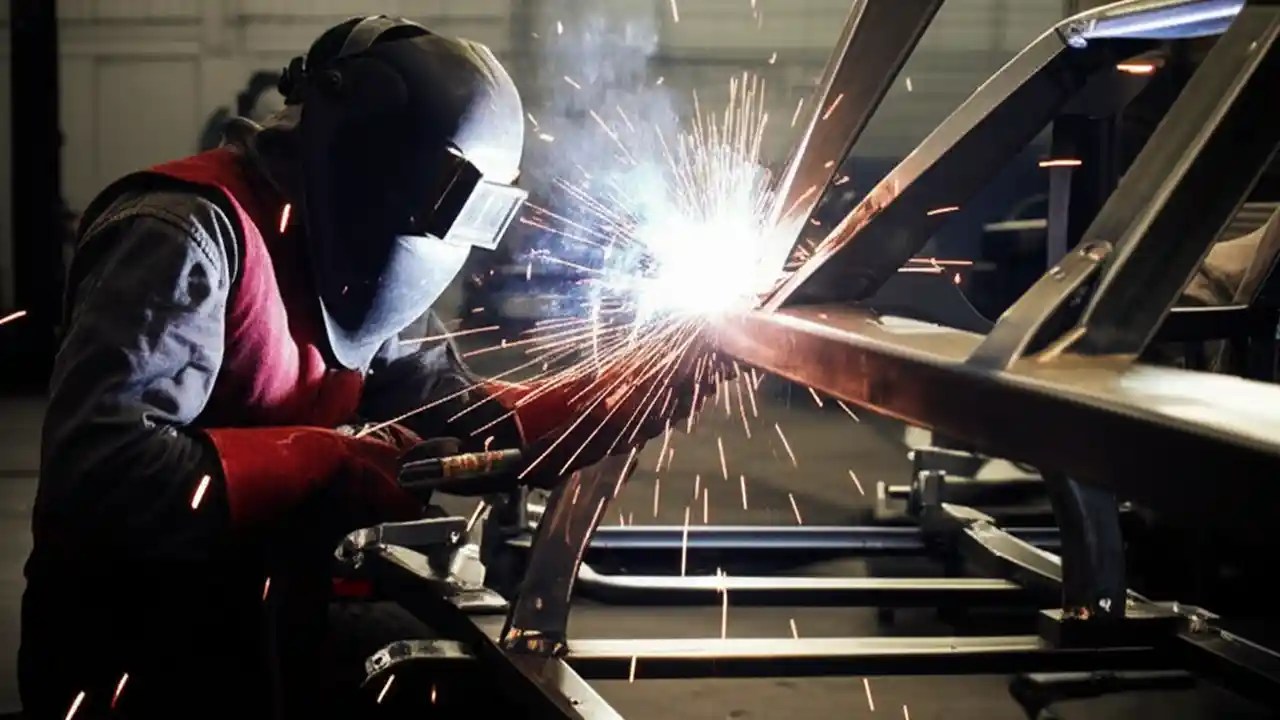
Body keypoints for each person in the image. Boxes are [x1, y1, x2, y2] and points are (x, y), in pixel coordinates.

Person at [20, 16, 695, 720]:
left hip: (271, 620)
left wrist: (613, 398)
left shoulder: (360, 248)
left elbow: (439, 398)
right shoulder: (182, 234)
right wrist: (326, 462)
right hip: (131, 653)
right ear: (362, 159)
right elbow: (98, 472)